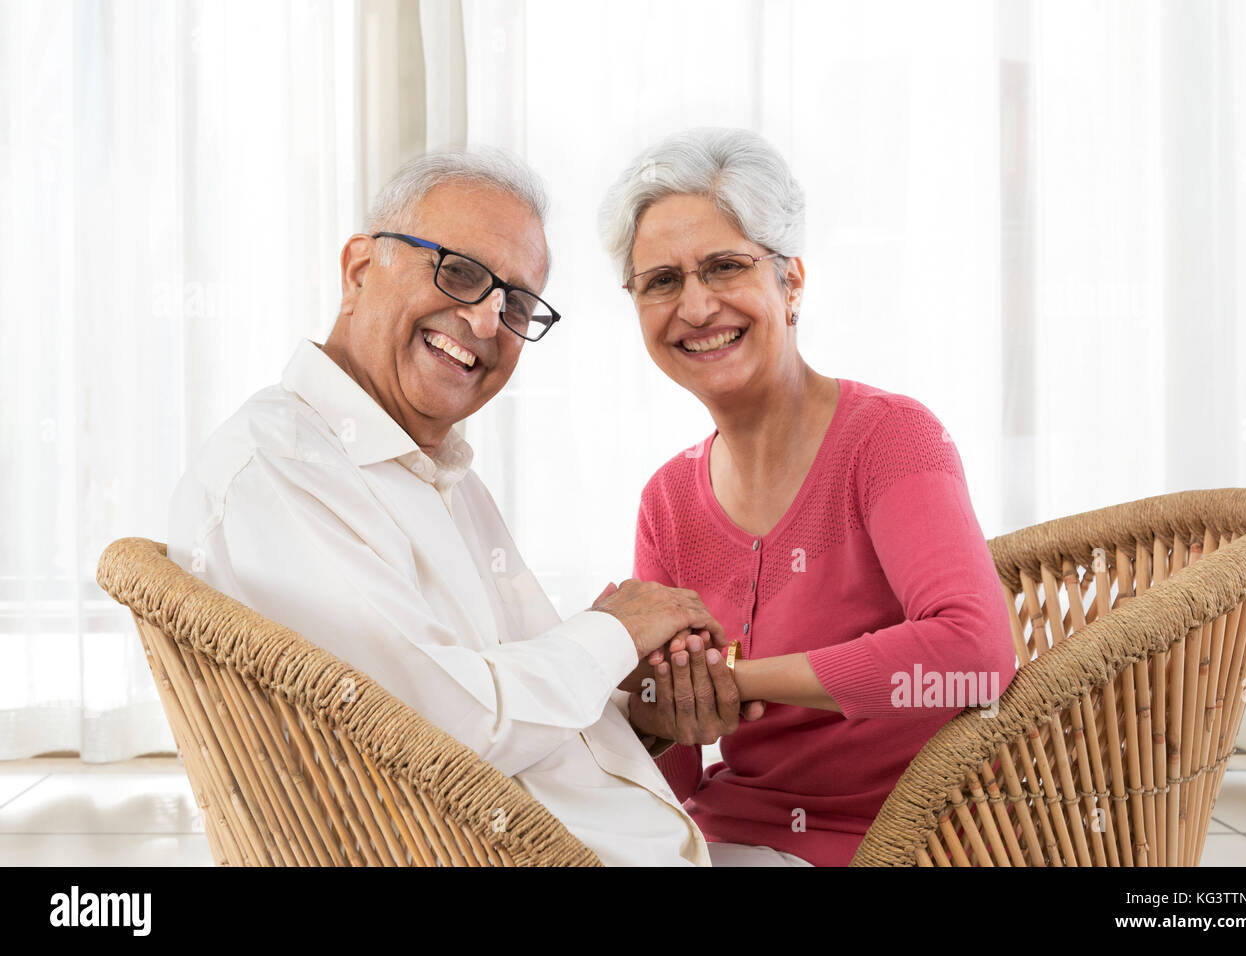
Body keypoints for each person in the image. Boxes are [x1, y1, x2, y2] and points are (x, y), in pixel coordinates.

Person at [167, 148, 801, 866]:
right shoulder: (280, 472)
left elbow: (492, 698)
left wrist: (642, 714)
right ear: (358, 270)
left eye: (517, 304)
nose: (483, 320)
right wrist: (612, 632)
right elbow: (447, 729)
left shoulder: (430, 469)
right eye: (460, 271)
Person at [597, 127, 1018, 866]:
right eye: (660, 281)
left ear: (790, 283)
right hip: (727, 836)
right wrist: (650, 704)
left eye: (723, 267)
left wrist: (739, 681)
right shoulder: (667, 500)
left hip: (909, 838)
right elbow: (674, 770)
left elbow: (976, 656)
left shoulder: (890, 438)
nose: (694, 307)